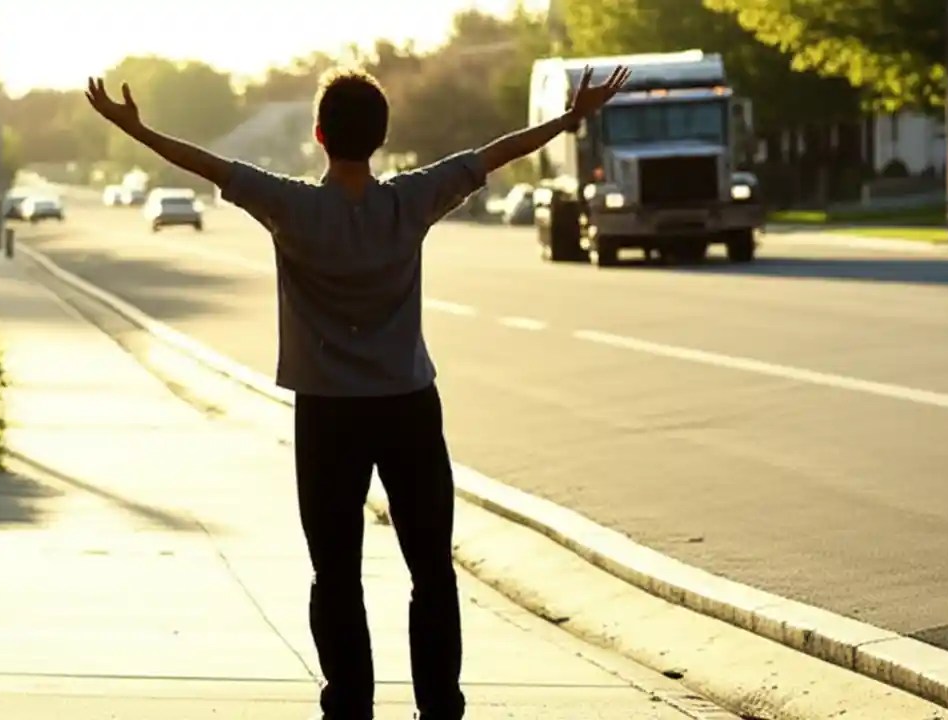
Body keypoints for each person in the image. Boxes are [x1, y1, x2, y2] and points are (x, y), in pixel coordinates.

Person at [84, 63, 631, 720]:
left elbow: (208, 165)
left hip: (327, 415)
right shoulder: (410, 200)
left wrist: (136, 129)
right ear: (381, 136)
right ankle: (439, 708)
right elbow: (495, 154)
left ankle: (348, 706)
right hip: (408, 407)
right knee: (431, 569)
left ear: (319, 134)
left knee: (336, 573)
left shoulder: (291, 207)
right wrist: (570, 118)